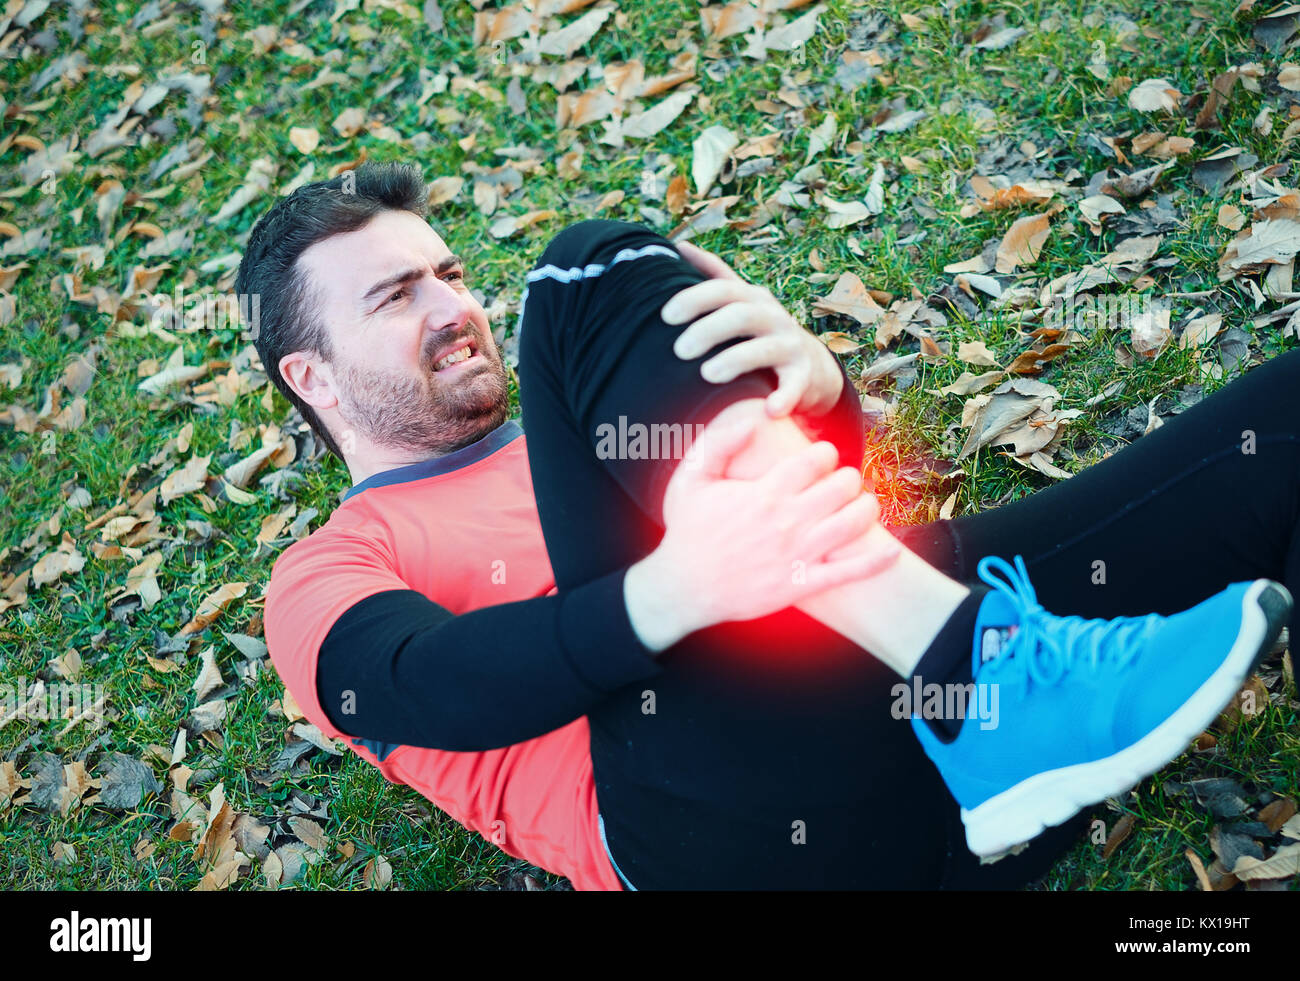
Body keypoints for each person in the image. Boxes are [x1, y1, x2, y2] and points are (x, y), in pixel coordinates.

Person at [240, 162, 1293, 889]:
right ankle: (985, 675)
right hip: (737, 845)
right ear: (312, 377)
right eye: (394, 295)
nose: (451, 307)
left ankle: (1001, 690)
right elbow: (417, 685)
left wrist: (822, 399)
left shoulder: (604, 431)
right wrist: (674, 590)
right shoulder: (326, 570)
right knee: (583, 277)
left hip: (945, 790)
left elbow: (832, 556)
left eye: (450, 274)